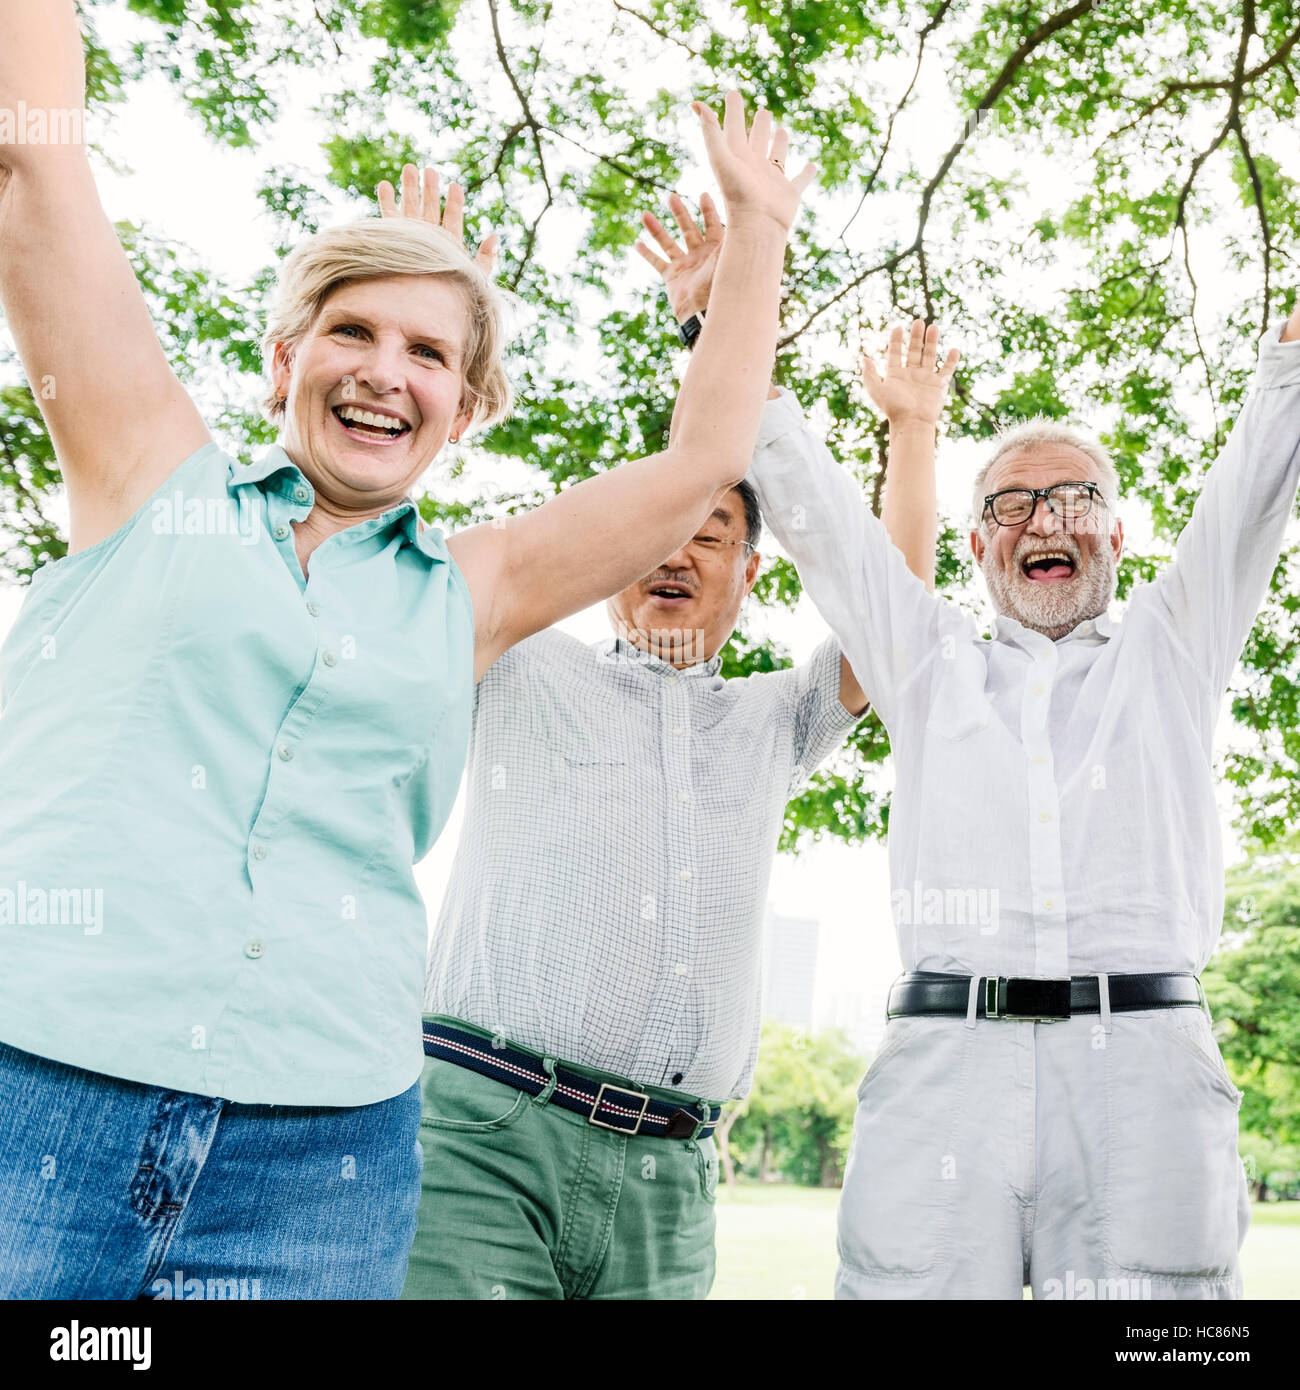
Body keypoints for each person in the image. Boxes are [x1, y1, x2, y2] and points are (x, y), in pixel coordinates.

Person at [0, 0, 813, 1298]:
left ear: (466, 405)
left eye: (429, 351)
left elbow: (704, 459)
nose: (387, 371)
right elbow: (33, 161)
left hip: (322, 1149)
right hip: (46, 1090)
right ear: (282, 362)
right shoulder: (147, 477)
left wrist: (759, 233)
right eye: (353, 333)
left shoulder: (477, 590)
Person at [396, 179, 955, 1298]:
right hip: (480, 1133)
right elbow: (397, 532)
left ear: (751, 575)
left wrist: (912, 431)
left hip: (670, 1175)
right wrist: (432, 286)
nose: (677, 551)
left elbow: (894, 615)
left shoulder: (774, 720)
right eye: (656, 528)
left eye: (711, 533)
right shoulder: (514, 655)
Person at [744, 307, 1300, 1299]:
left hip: (1145, 1075)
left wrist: (1289, 356)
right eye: (1013, 504)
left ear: (1117, 532)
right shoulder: (924, 660)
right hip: (946, 1074)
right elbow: (815, 512)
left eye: (1075, 496)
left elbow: (1257, 476)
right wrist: (722, 317)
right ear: (973, 544)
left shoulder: (1173, 641)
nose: (1045, 520)